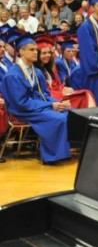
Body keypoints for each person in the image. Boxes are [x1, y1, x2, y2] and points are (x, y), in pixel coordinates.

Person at [1, 34, 72, 164]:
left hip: (35, 107)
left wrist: (57, 103)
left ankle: (62, 152)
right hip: (21, 110)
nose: (35, 52)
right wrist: (50, 106)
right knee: (58, 118)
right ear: (21, 51)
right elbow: (21, 102)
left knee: (67, 113)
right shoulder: (13, 75)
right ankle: (51, 157)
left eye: (36, 50)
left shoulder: (36, 71)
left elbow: (44, 94)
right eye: (31, 50)